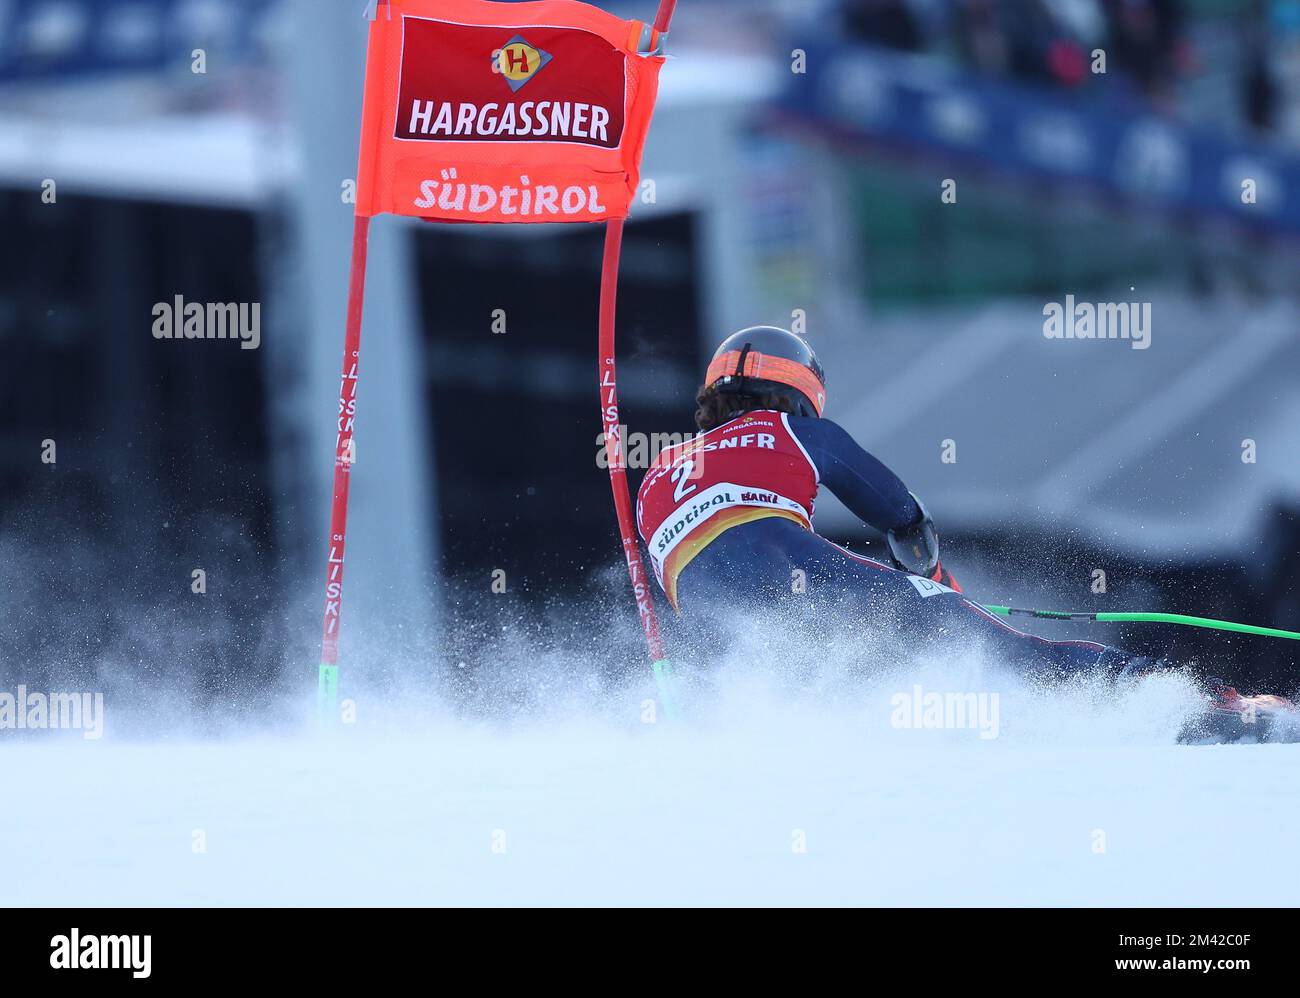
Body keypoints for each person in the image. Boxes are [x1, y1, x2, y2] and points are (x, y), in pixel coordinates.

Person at [635, 325, 1148, 681]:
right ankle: (1176, 699)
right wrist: (939, 588)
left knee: (844, 679)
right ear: (799, 390)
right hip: (793, 567)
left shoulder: (653, 476)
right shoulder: (793, 430)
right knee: (1003, 651)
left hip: (729, 638)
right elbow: (902, 515)